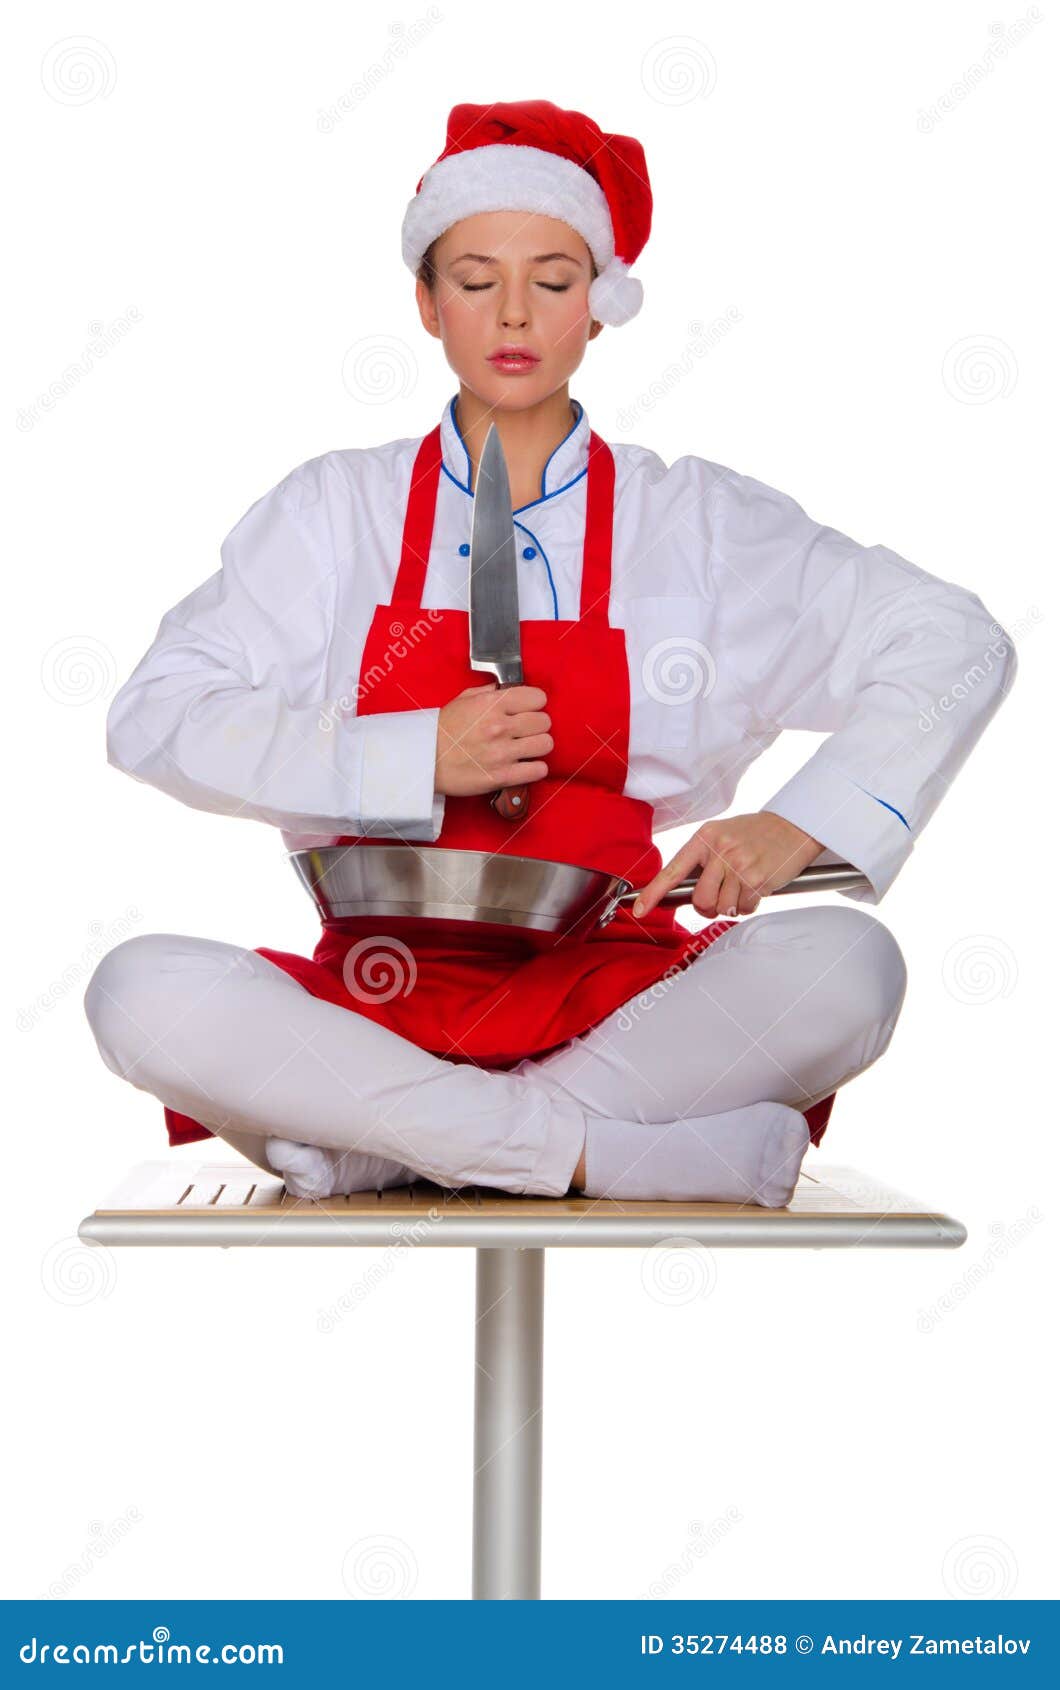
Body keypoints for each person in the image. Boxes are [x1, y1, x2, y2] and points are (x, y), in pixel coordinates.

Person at [83, 100, 1016, 1206]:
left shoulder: (701, 524)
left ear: (600, 311)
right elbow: (155, 718)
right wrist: (406, 749)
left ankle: (386, 1143)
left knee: (852, 968)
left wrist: (801, 823)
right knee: (135, 990)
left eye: (555, 280)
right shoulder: (334, 511)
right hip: (372, 994)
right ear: (427, 304)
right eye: (475, 280)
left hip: (616, 992)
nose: (513, 313)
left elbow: (950, 637)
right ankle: (587, 1156)